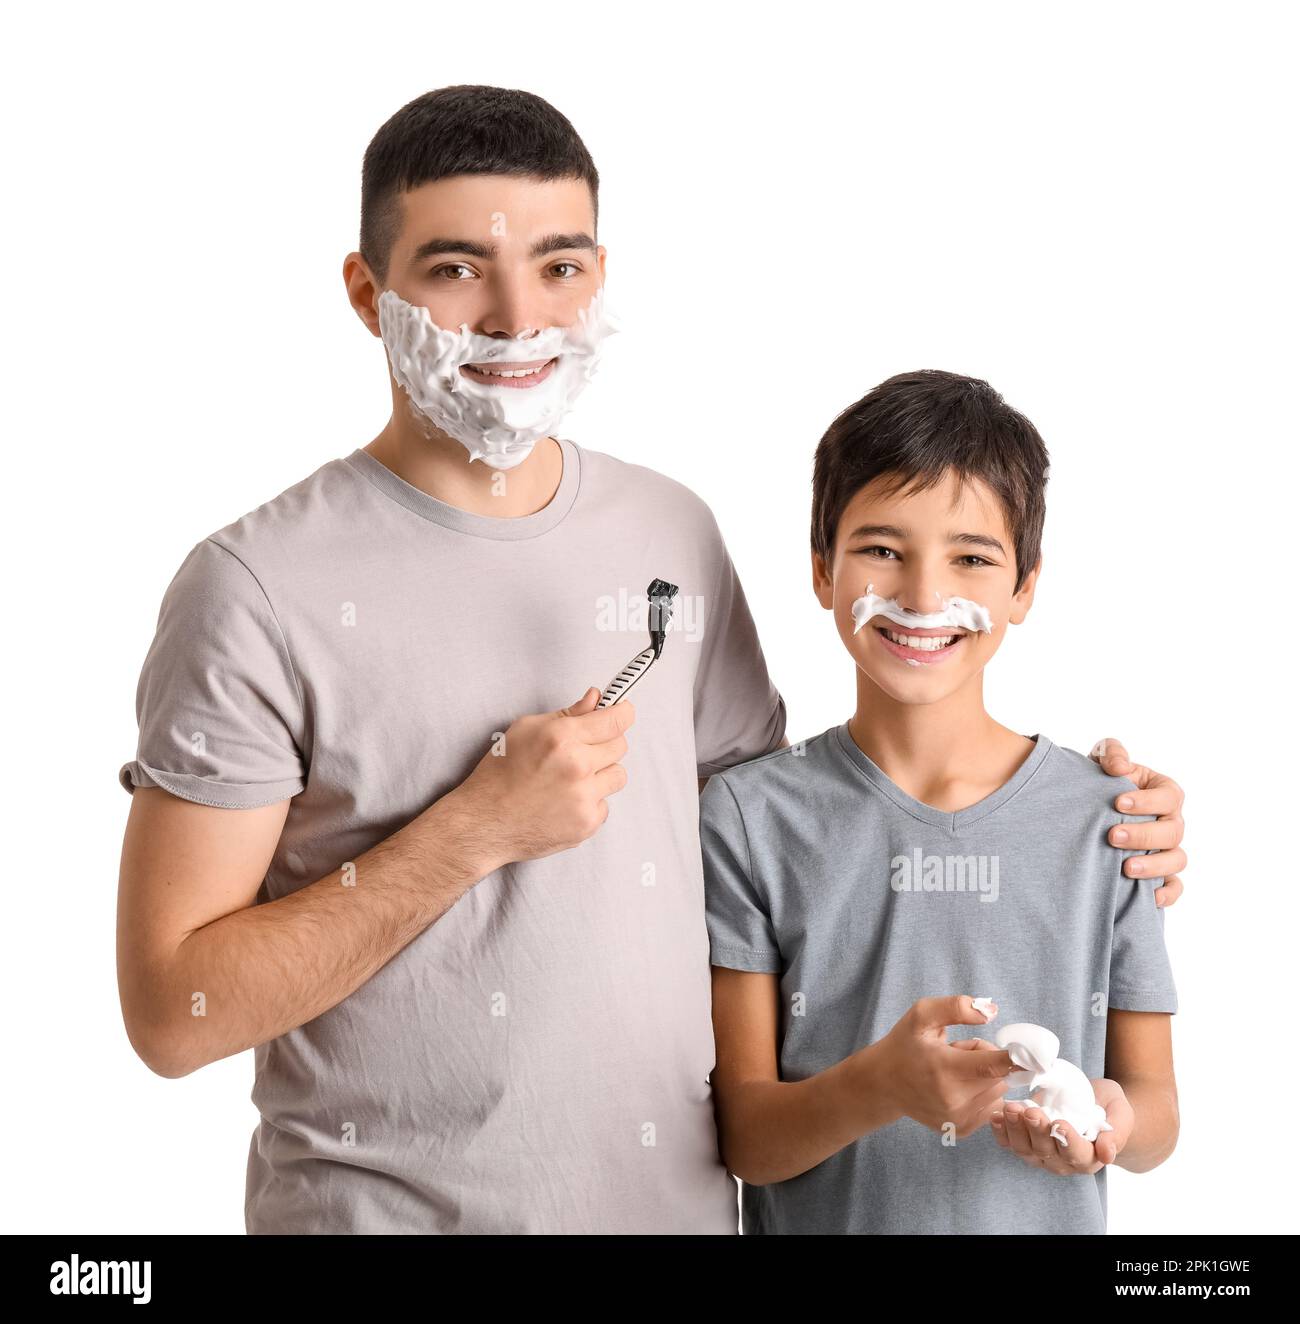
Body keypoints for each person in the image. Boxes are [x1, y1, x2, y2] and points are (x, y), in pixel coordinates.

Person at [116, 86, 1187, 1235]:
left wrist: (1090, 823)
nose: (514, 315)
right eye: (456, 269)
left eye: (560, 267)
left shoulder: (667, 535)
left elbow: (797, 843)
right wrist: (475, 827)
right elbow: (174, 1015)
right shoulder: (253, 586)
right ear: (367, 295)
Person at [701, 369, 1179, 1234]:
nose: (923, 595)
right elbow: (747, 1139)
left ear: (1024, 587)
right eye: (882, 549)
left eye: (971, 557)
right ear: (822, 570)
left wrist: (1110, 1122)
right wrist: (877, 1085)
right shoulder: (746, 817)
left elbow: (1156, 1116)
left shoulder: (1112, 818)